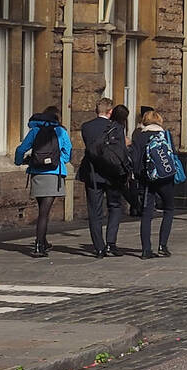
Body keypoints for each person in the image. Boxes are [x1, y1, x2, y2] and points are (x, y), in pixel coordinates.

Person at [14, 104, 71, 258]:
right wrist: (58, 161)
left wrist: (19, 162)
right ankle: (39, 245)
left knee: (41, 210)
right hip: (54, 174)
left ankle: (43, 241)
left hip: (37, 173)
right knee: (44, 213)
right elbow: (68, 152)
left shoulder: (35, 131)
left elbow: (21, 149)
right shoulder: (61, 131)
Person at [78, 97, 129, 258]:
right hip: (113, 174)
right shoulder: (116, 127)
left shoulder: (86, 127)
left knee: (95, 211)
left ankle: (99, 247)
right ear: (111, 111)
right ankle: (111, 243)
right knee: (114, 207)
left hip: (93, 173)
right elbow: (121, 152)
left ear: (96, 110)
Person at [130, 106, 181, 259]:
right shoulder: (165, 135)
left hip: (148, 179)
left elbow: (136, 159)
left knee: (146, 214)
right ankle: (162, 246)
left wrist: (138, 176)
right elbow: (172, 156)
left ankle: (146, 249)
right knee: (169, 209)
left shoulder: (139, 136)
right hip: (166, 178)